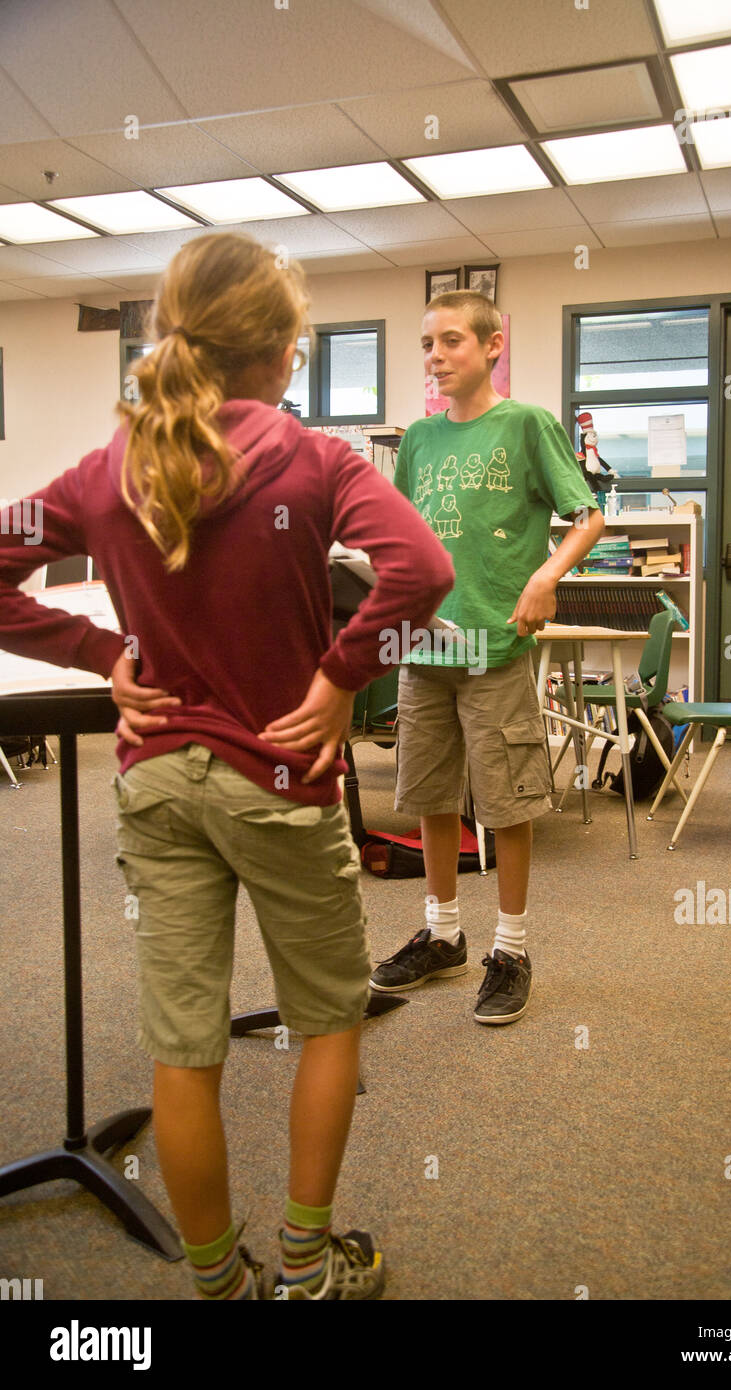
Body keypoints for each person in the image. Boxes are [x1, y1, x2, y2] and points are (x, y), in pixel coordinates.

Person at [0, 232, 454, 1299]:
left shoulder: (106, 468)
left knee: (184, 1042)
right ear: (283, 351)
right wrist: (346, 674)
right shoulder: (313, 455)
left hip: (155, 781)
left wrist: (105, 654)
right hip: (280, 780)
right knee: (327, 1020)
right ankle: (305, 1268)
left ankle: (219, 1284)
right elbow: (420, 570)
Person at [369, 291, 605, 1024]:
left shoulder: (527, 424)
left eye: (450, 342)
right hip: (425, 646)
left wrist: (545, 576)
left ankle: (512, 948)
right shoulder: (419, 440)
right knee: (432, 795)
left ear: (492, 346)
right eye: (426, 345)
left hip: (493, 643)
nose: (435, 356)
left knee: (505, 801)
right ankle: (443, 936)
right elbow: (403, 535)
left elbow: (588, 515)